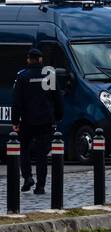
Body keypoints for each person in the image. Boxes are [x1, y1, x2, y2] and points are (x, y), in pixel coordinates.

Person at [11, 46, 63, 195]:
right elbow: (57, 99)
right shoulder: (49, 76)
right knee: (42, 155)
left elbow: (17, 101)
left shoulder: (23, 76)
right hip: (46, 121)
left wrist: (15, 121)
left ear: (29, 60)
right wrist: (58, 116)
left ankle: (27, 177)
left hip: (27, 121)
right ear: (40, 60)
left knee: (24, 149)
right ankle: (40, 185)